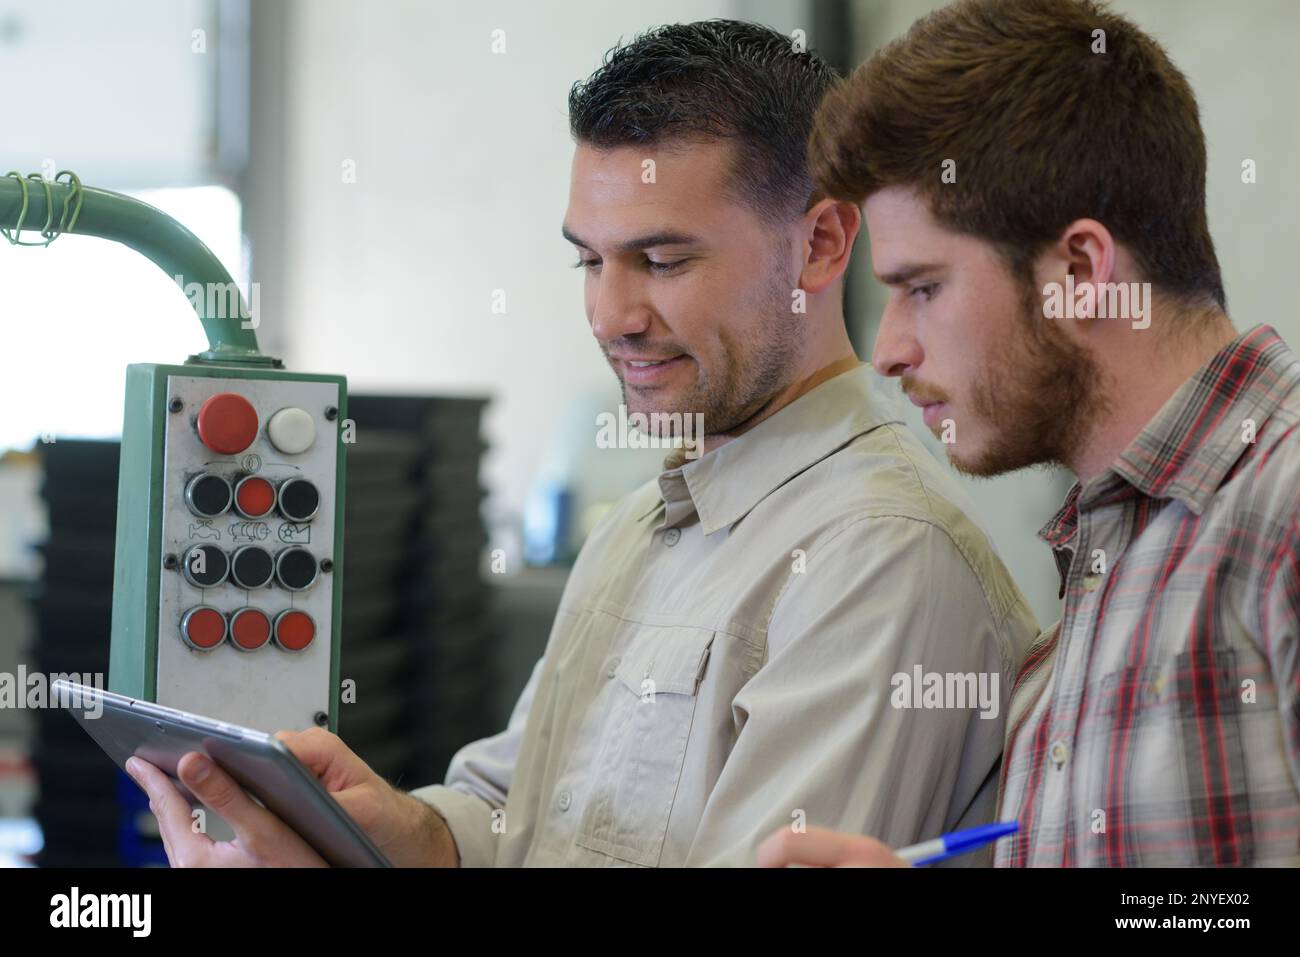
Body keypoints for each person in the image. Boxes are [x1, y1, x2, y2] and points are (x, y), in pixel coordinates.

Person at [127, 19, 1037, 868]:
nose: (611, 316)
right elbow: (519, 812)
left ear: (821, 244)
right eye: (590, 261)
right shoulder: (645, 525)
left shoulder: (880, 557)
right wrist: (398, 832)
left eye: (664, 261)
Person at [760, 0, 1300, 868]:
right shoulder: (1109, 558)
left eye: (923, 287)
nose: (889, 349)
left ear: (1081, 272)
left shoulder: (1283, 508)